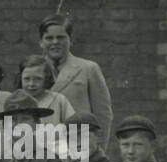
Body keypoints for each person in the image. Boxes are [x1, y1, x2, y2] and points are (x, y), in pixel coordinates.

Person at [39, 14, 113, 147]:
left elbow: (103, 115)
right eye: (49, 38)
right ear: (41, 42)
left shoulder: (88, 69)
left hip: (78, 145)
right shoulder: (33, 71)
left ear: (70, 40)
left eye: (61, 37)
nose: (55, 42)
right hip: (44, 148)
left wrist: (98, 149)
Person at [17, 54, 75, 127]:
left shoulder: (58, 100)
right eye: (27, 79)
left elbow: (73, 126)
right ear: (20, 78)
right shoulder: (15, 101)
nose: (31, 84)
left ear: (47, 79)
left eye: (38, 79)